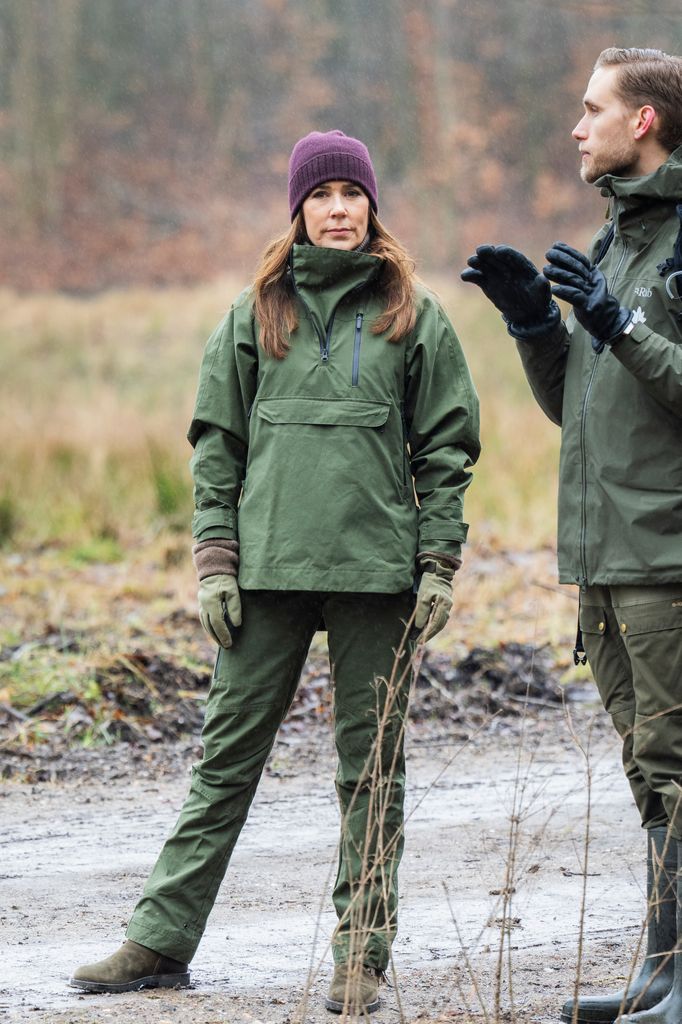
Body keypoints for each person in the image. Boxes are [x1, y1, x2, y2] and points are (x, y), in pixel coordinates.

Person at [70, 130, 480, 1013]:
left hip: (380, 574)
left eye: (353, 194)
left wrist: (439, 560)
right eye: (322, 195)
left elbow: (447, 448)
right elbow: (217, 445)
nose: (339, 209)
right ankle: (159, 939)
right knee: (225, 761)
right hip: (266, 572)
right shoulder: (256, 310)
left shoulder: (416, 313)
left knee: (372, 771)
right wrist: (215, 560)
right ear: (297, 208)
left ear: (374, 207)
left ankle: (360, 959)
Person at [462, 47, 682, 1024]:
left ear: (643, 123)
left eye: (591, 109)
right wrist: (534, 328)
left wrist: (621, 324)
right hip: (600, 555)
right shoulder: (608, 245)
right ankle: (664, 971)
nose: (574, 126)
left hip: (668, 554)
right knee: (649, 771)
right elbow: (579, 409)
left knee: (677, 766)